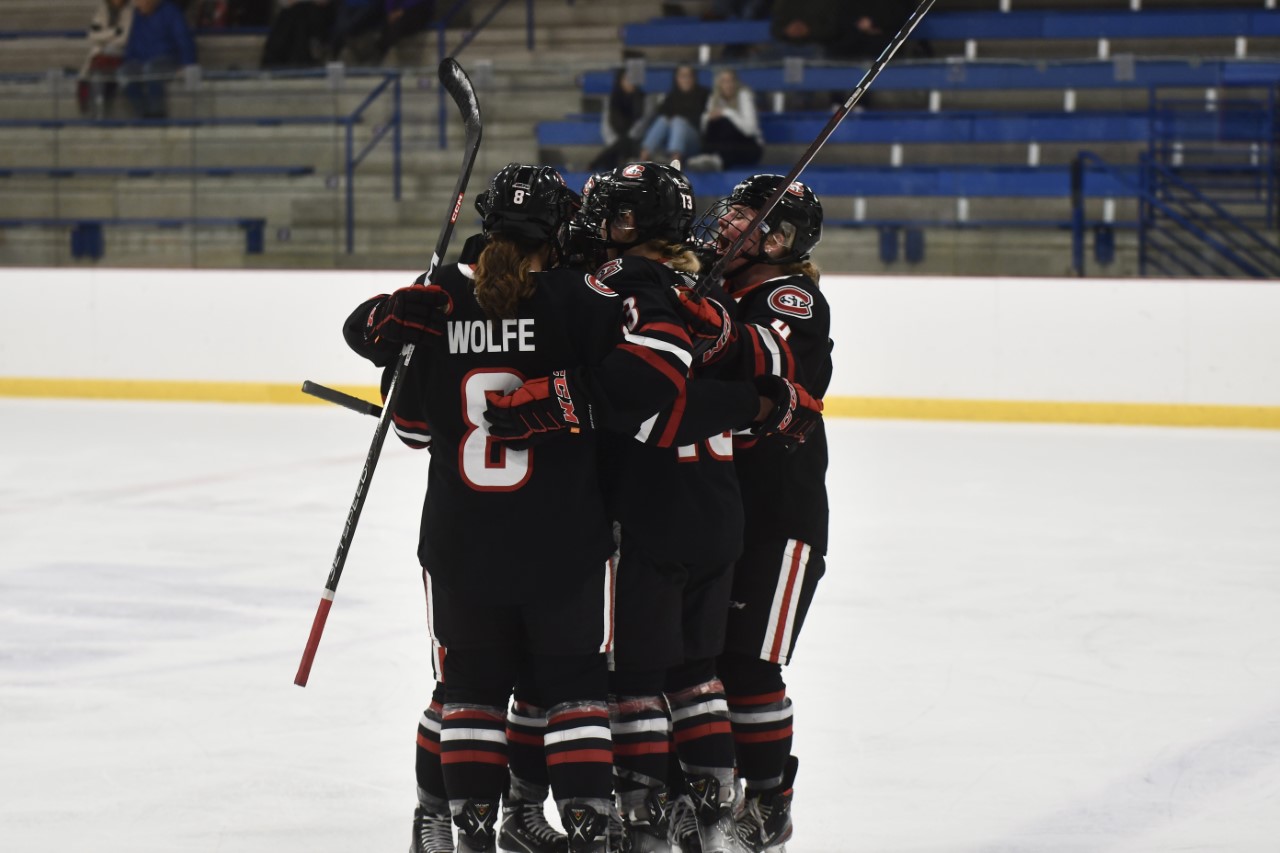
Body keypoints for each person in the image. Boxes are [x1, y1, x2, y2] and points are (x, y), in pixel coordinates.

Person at [687, 175, 832, 853]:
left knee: (749, 667)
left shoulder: (788, 296)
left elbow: (764, 375)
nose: (725, 225)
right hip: (720, 506)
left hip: (779, 516)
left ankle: (771, 802)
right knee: (702, 660)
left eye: (743, 218)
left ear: (777, 239)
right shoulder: (722, 286)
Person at [119, 0, 197, 119]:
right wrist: (128, 61)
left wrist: (187, 63)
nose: (139, 4)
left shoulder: (171, 12)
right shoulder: (137, 15)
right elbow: (132, 43)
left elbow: (184, 39)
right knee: (123, 74)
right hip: (141, 61)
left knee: (151, 70)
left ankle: (157, 113)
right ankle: (143, 114)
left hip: (167, 59)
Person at [771, 0, 913, 60]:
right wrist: (787, 31)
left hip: (883, 36)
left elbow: (901, 12)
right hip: (849, 36)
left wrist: (876, 24)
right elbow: (775, 27)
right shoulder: (785, 3)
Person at [689, 68, 763, 172]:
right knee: (714, 122)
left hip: (749, 146)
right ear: (719, 84)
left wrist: (727, 112)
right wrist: (708, 117)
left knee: (725, 122)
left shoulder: (744, 96)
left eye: (731, 80)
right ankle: (708, 158)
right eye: (724, 81)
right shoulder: (714, 98)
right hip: (723, 146)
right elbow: (705, 130)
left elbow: (750, 130)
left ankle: (715, 160)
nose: (728, 84)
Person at [638, 65, 709, 164]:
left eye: (689, 76)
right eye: (682, 76)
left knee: (678, 122)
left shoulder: (704, 94)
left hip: (694, 141)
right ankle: (642, 159)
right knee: (663, 120)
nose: (686, 79)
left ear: (694, 78)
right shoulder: (671, 96)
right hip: (669, 139)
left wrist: (677, 120)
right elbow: (662, 114)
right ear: (677, 78)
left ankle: (675, 163)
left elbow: (702, 119)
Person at [588, 68, 651, 172]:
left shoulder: (643, 99)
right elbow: (606, 126)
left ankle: (594, 164)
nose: (630, 82)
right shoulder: (612, 100)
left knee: (622, 147)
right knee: (618, 151)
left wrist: (628, 138)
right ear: (620, 81)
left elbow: (643, 124)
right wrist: (616, 141)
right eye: (626, 79)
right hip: (616, 143)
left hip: (637, 141)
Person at [79, 0, 134, 118]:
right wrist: (114, 32)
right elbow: (92, 35)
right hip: (102, 54)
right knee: (96, 75)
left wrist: (104, 38)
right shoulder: (103, 8)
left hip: (121, 54)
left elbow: (124, 38)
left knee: (102, 64)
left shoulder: (130, 10)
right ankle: (96, 114)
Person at [260, 0, 334, 68]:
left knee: (301, 14)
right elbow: (285, 3)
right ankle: (286, 61)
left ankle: (297, 61)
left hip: (318, 13)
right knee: (293, 14)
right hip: (293, 13)